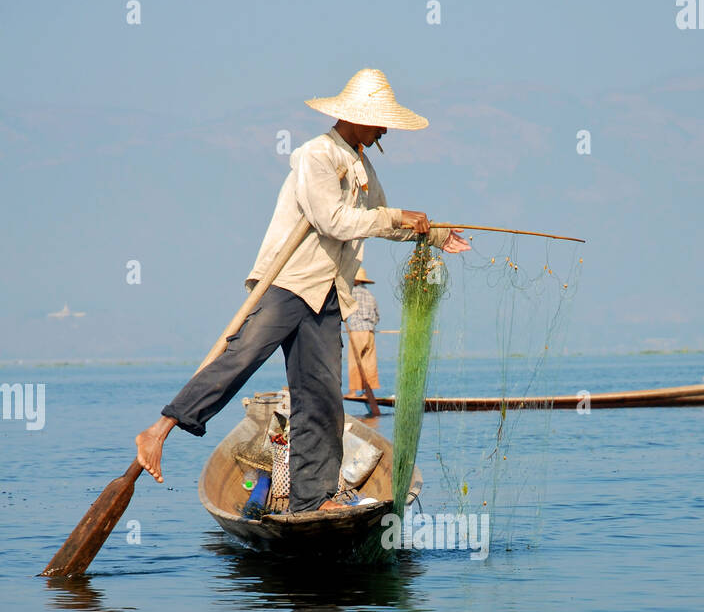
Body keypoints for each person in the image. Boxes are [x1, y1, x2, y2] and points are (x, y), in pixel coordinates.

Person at [135, 68, 469, 512]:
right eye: (379, 121)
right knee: (241, 357)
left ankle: (311, 499)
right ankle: (159, 429)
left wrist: (434, 234)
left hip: (328, 292)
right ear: (356, 117)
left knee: (321, 397)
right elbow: (334, 220)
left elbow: (382, 218)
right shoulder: (316, 155)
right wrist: (396, 217)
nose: (385, 129)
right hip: (290, 282)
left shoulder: (360, 164)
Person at [345, 266, 380, 397]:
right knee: (369, 362)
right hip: (370, 332)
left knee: (355, 360)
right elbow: (377, 316)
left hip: (357, 331)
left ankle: (353, 391)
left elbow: (344, 310)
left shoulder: (352, 293)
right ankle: (368, 391)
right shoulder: (370, 295)